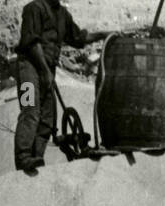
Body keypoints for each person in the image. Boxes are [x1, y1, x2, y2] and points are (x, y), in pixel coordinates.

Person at [14, 0, 108, 175]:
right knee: (30, 109)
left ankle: (36, 158)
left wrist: (103, 34)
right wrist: (44, 71)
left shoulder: (62, 14)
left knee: (48, 118)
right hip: (28, 67)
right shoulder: (33, 8)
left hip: (46, 69)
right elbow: (32, 43)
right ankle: (23, 157)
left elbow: (79, 38)